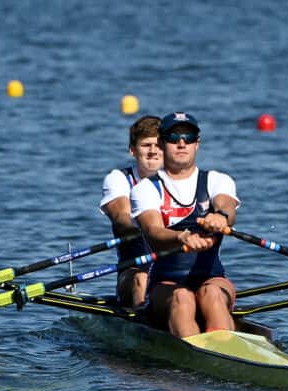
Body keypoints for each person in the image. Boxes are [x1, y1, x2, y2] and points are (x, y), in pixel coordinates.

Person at [130, 112, 239, 338]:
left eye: (188, 137)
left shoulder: (217, 180)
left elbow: (226, 204)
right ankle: (197, 353)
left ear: (197, 143)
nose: (182, 143)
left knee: (212, 295)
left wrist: (220, 216)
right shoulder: (145, 189)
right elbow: (153, 231)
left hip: (212, 277)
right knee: (183, 298)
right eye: (174, 137)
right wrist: (181, 237)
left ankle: (227, 352)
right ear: (161, 144)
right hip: (165, 283)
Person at [99, 115, 163, 307]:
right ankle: (146, 320)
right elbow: (121, 217)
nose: (153, 151)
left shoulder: (182, 182)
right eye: (146, 145)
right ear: (132, 150)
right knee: (141, 278)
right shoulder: (118, 179)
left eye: (158, 145)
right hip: (134, 271)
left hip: (175, 270)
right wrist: (143, 228)